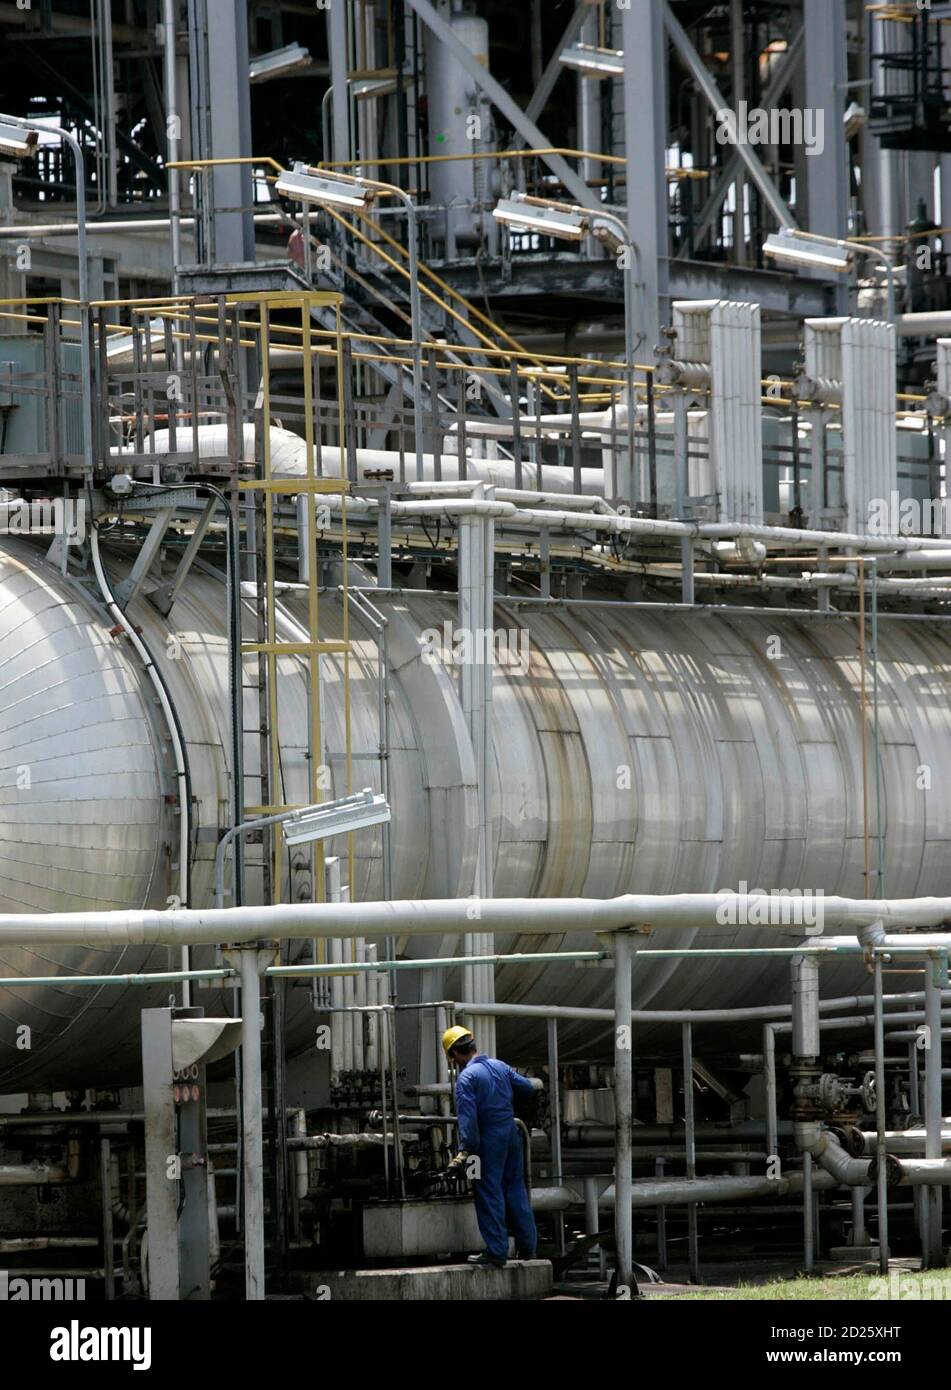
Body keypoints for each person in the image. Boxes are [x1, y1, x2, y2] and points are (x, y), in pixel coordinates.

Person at [442, 1026, 538, 1269]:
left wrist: (465, 1151)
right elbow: (527, 1087)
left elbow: (468, 1120)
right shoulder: (499, 1066)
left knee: (487, 1191)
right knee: (515, 1188)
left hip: (487, 1142)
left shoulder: (466, 1079)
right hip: (511, 1134)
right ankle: (528, 1249)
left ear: (453, 1054)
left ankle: (496, 1251)